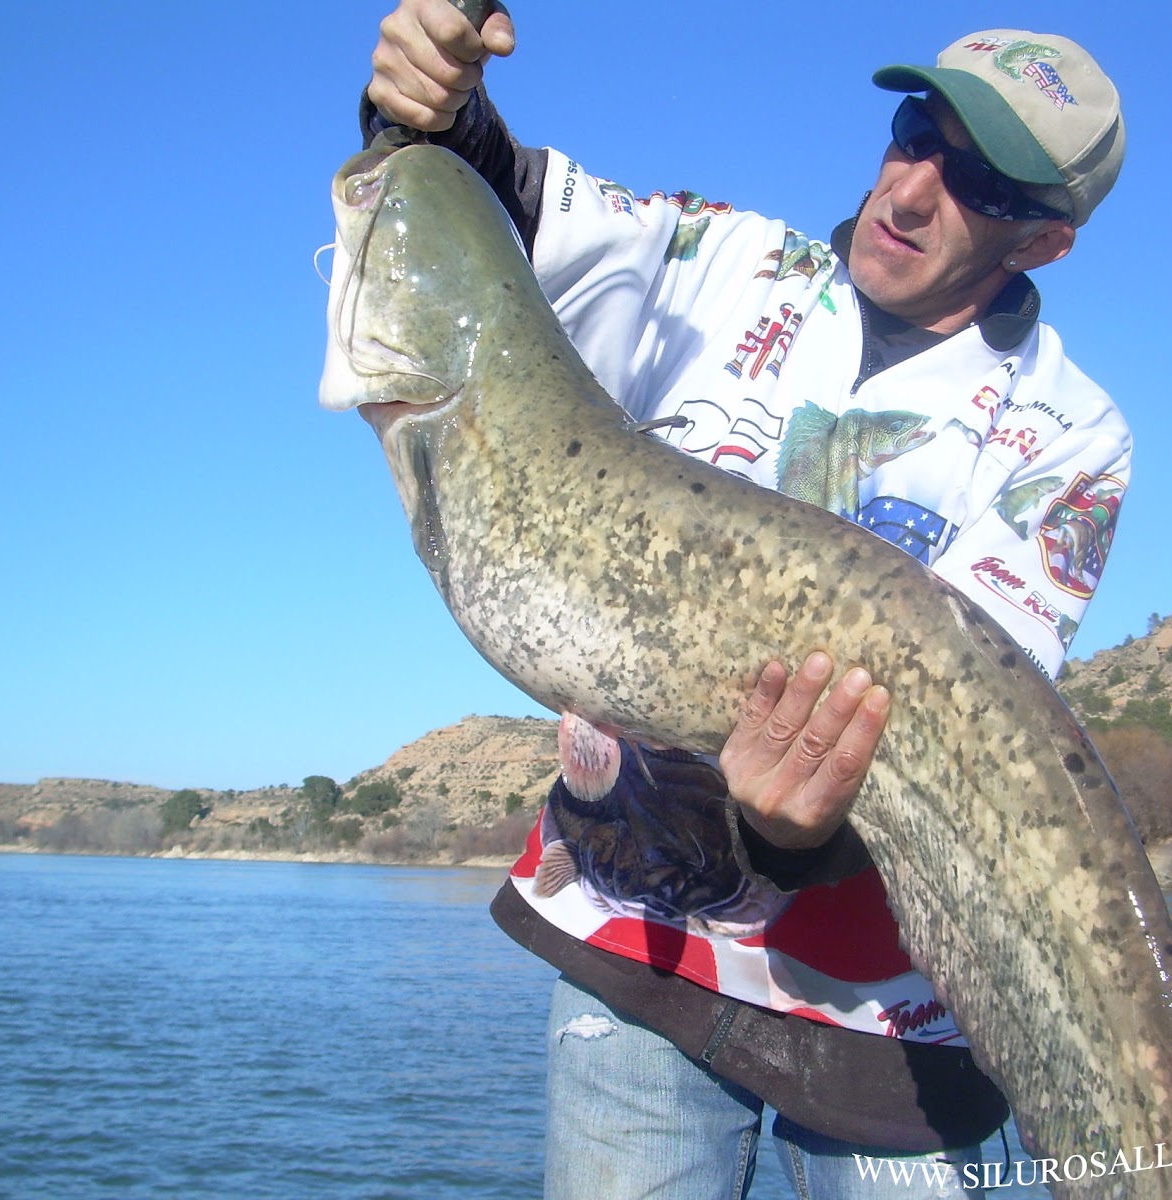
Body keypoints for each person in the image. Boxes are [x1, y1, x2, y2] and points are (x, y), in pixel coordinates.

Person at [360, 4, 1130, 1196]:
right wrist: (431, 96)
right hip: (637, 947)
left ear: (1042, 242)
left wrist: (793, 820)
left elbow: (970, 742)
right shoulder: (722, 262)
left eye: (975, 181)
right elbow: (485, 207)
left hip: (892, 1027)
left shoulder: (1069, 435)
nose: (912, 189)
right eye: (913, 132)